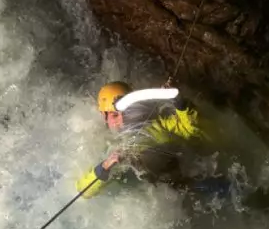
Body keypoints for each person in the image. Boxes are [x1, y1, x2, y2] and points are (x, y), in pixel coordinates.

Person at [74, 81, 228, 199]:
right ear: (104, 116)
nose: (121, 120)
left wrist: (182, 106)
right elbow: (83, 191)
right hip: (148, 199)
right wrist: (105, 166)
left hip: (183, 187)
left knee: (227, 190)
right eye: (114, 115)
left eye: (124, 113)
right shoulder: (103, 142)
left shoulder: (156, 124)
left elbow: (193, 130)